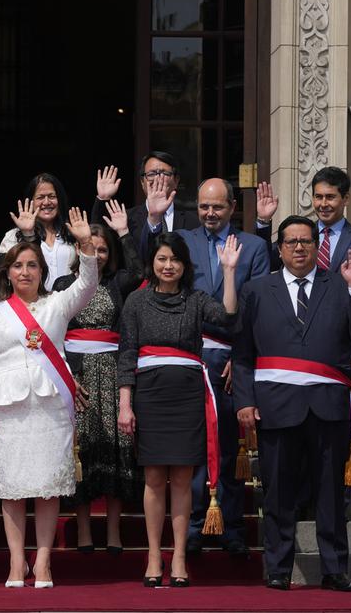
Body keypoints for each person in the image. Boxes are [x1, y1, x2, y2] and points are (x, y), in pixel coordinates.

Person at [233, 215, 351, 592]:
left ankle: (334, 569)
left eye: (306, 241)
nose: (299, 247)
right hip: (275, 406)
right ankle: (278, 568)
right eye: (291, 241)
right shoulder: (257, 290)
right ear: (279, 248)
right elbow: (243, 353)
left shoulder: (341, 286)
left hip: (327, 406)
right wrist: (243, 400)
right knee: (278, 492)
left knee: (330, 492)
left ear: (317, 247)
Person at [0, 208, 99, 588]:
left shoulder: (57, 303)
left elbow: (88, 285)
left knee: (46, 488)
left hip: (51, 407)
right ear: (7, 272)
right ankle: (15, 561)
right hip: (7, 410)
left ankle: (42, 562)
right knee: (11, 489)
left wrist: (86, 245)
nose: (24, 272)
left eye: (32, 265)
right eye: (18, 266)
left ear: (42, 271)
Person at [116, 231, 240, 587]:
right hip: (149, 395)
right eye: (162, 259)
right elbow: (126, 353)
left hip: (187, 395)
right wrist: (125, 404)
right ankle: (154, 555)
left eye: (175, 260)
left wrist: (229, 271)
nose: (168, 266)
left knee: (184, 480)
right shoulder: (136, 303)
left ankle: (180, 556)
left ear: (185, 266)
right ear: (152, 264)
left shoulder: (197, 300)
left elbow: (228, 316)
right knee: (154, 479)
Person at [255, 168, 351, 506]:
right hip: (295, 358)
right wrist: (263, 224)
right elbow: (268, 269)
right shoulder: (297, 237)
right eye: (319, 196)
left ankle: (335, 499)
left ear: (345, 199)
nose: (323, 203)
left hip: (338, 357)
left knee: (335, 437)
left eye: (331, 197)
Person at [165, 178, 270, 554]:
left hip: (230, 361)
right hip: (190, 359)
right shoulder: (182, 242)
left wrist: (241, 357)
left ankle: (232, 525)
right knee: (192, 447)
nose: (210, 213)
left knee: (229, 449)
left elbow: (258, 306)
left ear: (231, 208)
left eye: (218, 207)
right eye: (204, 207)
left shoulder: (255, 246)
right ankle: (194, 524)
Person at [53, 200, 143, 553]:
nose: (99, 254)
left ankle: (114, 532)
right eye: (92, 247)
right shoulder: (62, 282)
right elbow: (54, 330)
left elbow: (139, 269)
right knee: (83, 455)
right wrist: (64, 375)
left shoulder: (119, 281)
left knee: (117, 454)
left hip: (111, 373)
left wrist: (123, 231)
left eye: (105, 249)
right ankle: (85, 531)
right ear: (79, 247)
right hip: (76, 376)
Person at [90, 153, 200, 257]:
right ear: (142, 183)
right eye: (151, 174)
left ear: (176, 181)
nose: (157, 178)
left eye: (164, 173)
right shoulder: (127, 219)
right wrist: (103, 199)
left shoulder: (194, 221)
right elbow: (98, 237)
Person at [0, 173, 74, 289]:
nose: (47, 202)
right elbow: (4, 275)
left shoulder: (72, 233)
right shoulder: (13, 236)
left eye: (52, 196)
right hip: (31, 304)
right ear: (30, 201)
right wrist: (27, 234)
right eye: (40, 197)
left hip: (70, 303)